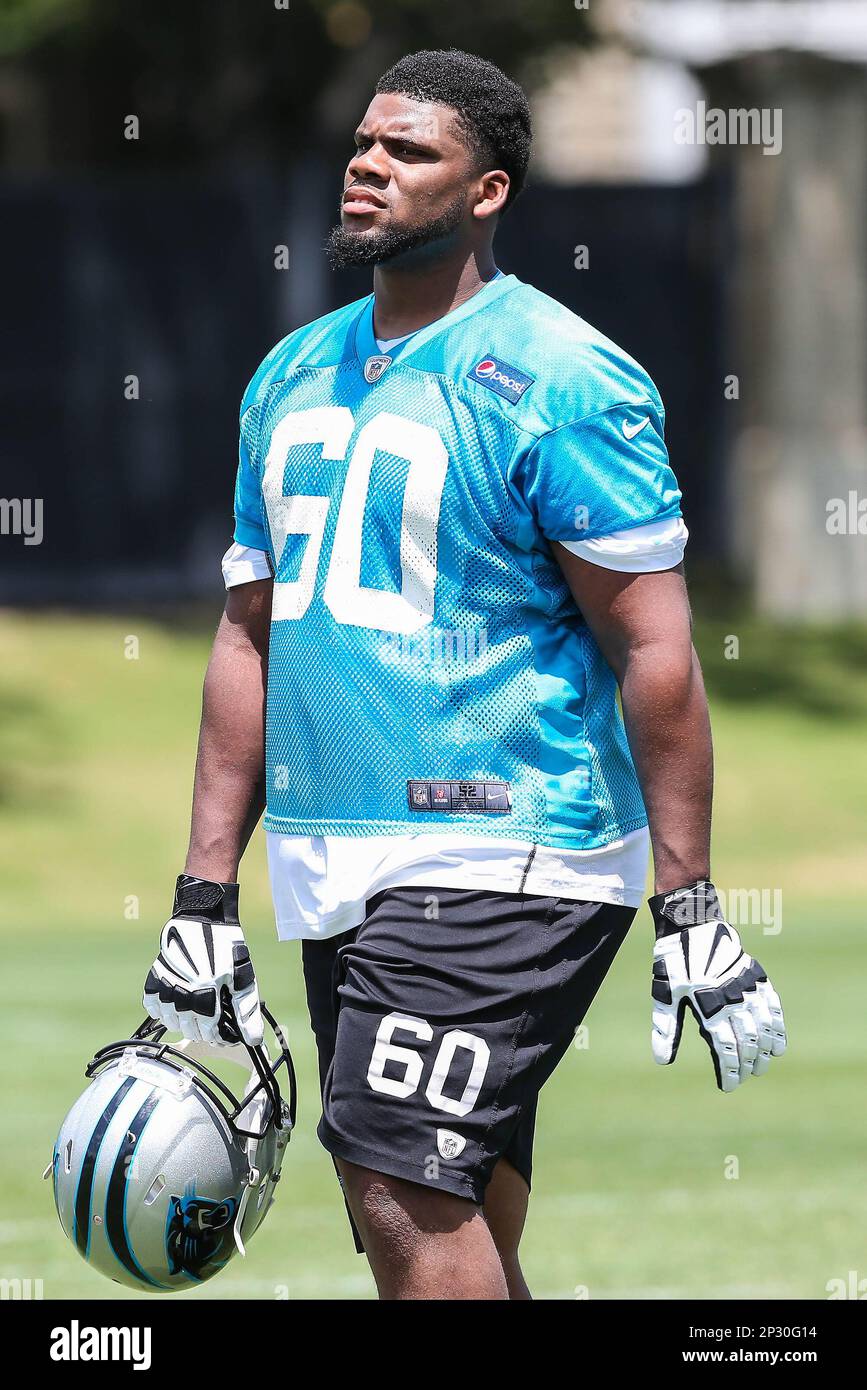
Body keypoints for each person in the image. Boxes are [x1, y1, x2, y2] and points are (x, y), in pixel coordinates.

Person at [144, 49, 786, 1301]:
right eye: (363, 144)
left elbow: (654, 646)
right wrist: (202, 892)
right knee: (444, 1208)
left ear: (487, 191)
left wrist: (692, 901)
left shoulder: (565, 376)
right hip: (337, 858)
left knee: (399, 1179)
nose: (369, 166)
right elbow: (250, 637)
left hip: (509, 847)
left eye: (409, 151)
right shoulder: (289, 373)